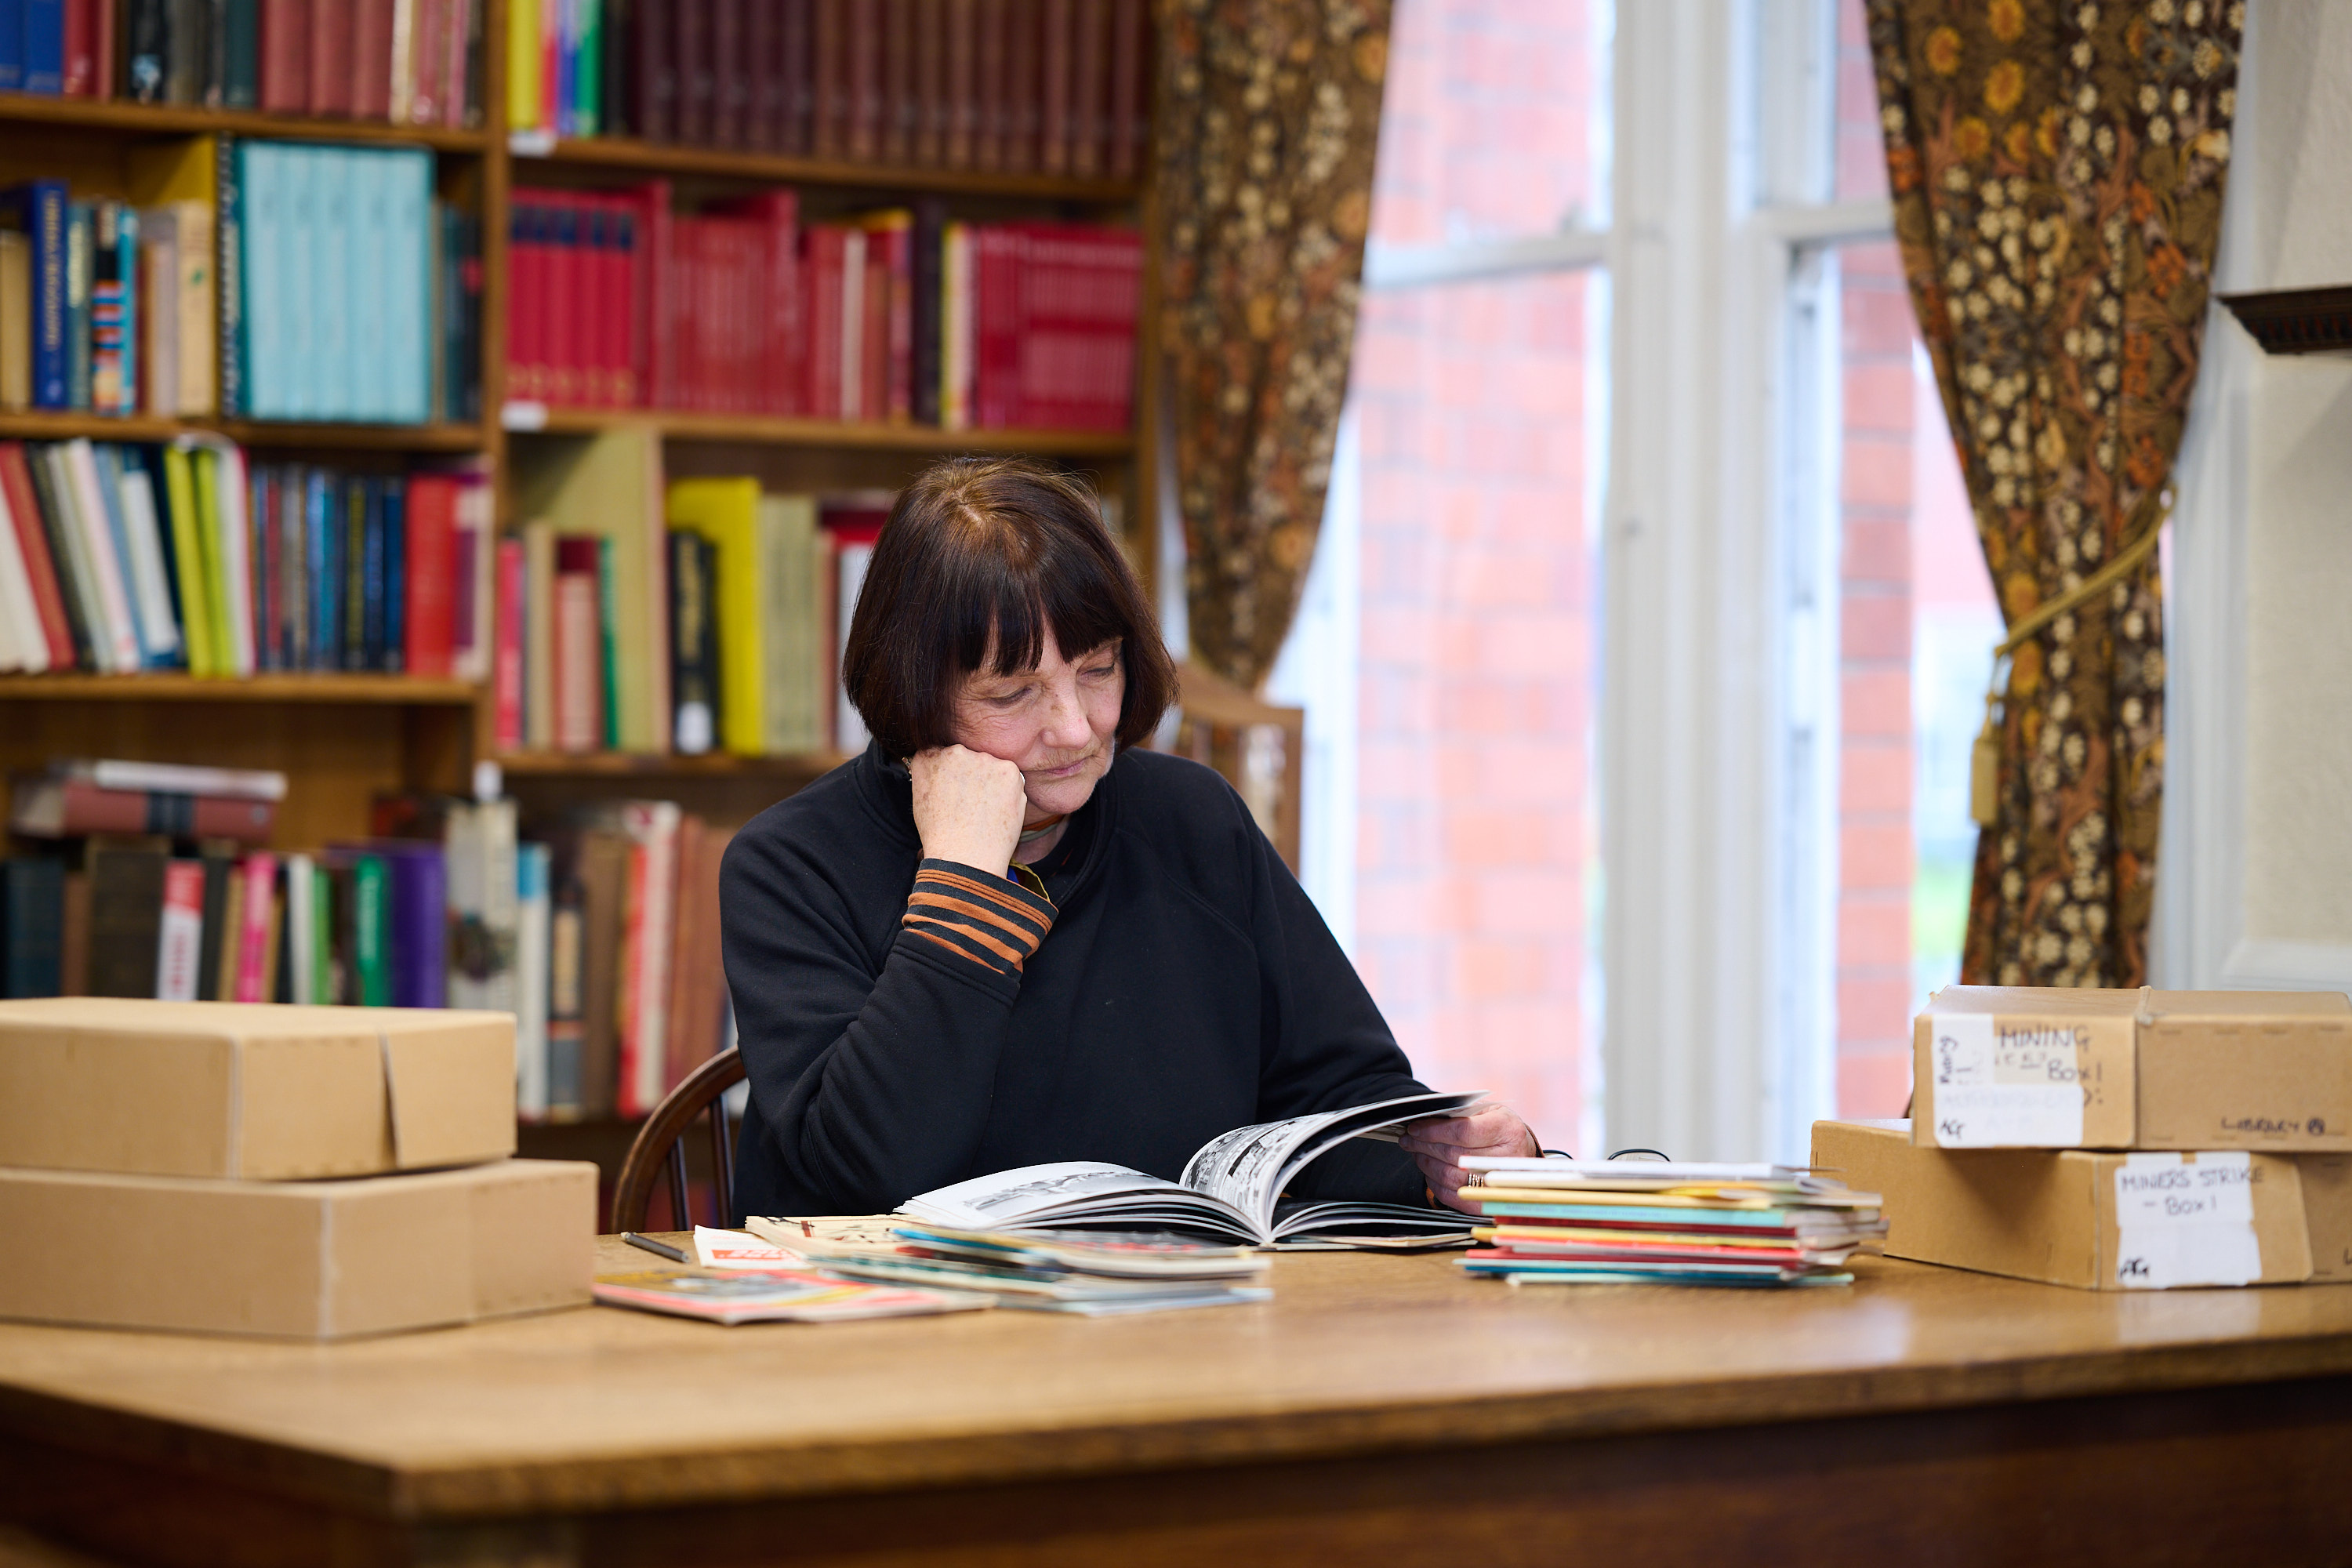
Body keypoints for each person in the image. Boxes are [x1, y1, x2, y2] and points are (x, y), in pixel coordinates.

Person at [719, 456, 1537, 1221]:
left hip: (1178, 1332)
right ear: (912, 695)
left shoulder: (1192, 821)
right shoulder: (789, 865)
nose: (1075, 728)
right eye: (1013, 692)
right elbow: (867, 1174)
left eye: (1097, 669)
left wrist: (1447, 1162)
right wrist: (961, 882)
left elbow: (1338, 1099)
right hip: (896, 1350)